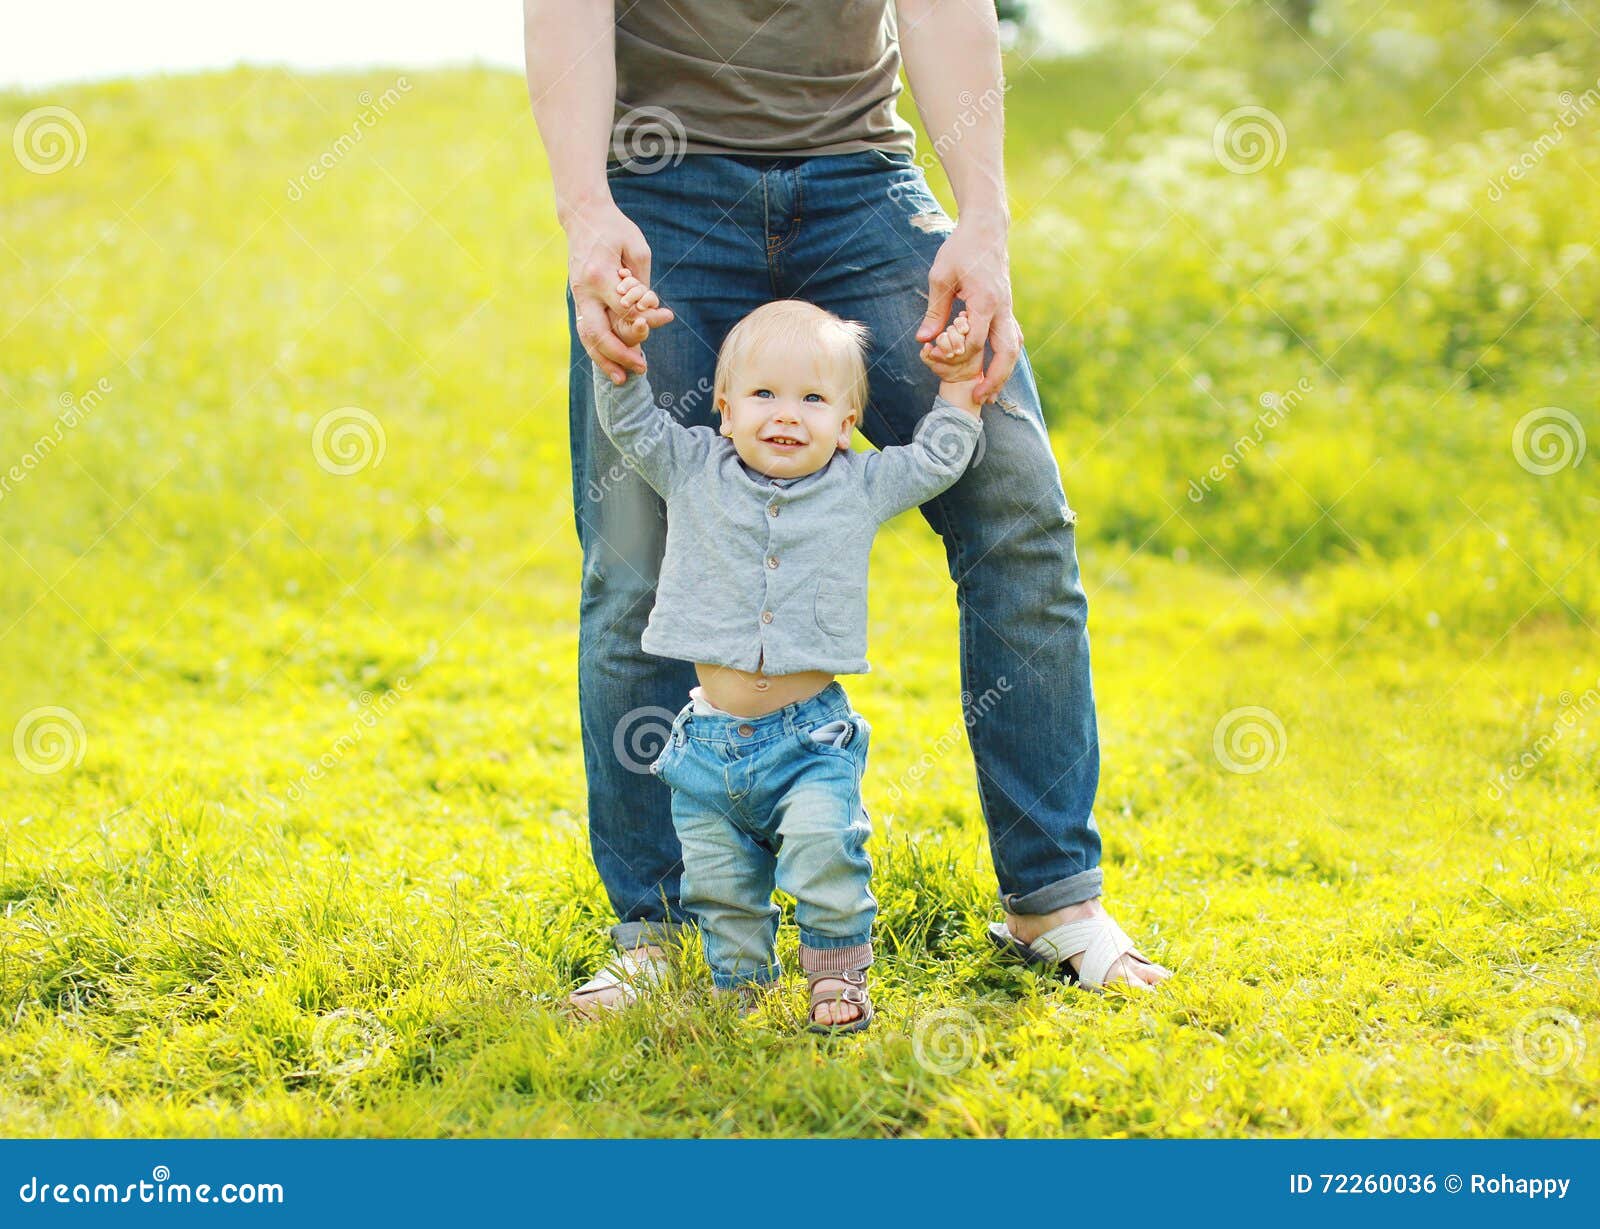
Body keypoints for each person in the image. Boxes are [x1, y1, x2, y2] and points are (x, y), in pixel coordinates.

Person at [522, 0, 1173, 1015]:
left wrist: (983, 224)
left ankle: (1053, 903)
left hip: (860, 178)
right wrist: (585, 210)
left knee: (1015, 508)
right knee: (635, 555)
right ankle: (659, 930)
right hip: (663, 183)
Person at [590, 272, 985, 1030]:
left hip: (810, 738)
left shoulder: (860, 483)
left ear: (846, 423)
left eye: (813, 400)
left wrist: (961, 389)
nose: (786, 415)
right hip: (705, 742)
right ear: (726, 407)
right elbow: (633, 427)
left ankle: (838, 977)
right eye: (764, 395)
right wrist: (626, 360)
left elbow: (935, 459)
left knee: (825, 847)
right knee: (717, 878)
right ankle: (738, 985)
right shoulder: (691, 467)